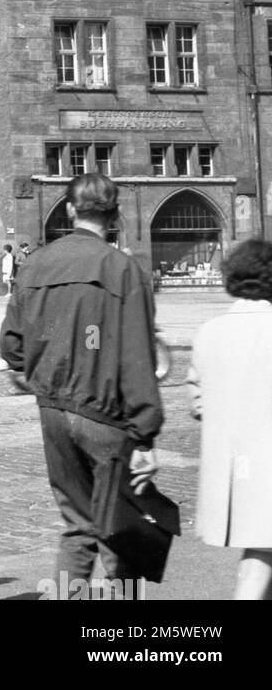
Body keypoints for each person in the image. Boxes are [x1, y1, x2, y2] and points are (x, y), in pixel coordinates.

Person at [0, 173, 162, 595]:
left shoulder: (35, 263)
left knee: (77, 525)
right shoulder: (124, 269)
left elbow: (12, 345)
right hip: (106, 415)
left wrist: (38, 371)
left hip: (54, 412)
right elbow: (138, 357)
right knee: (118, 528)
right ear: (114, 214)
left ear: (70, 210)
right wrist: (145, 435)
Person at [187, 239, 272, 599]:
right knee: (259, 562)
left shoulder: (209, 332)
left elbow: (198, 403)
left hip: (237, 470)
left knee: (260, 554)